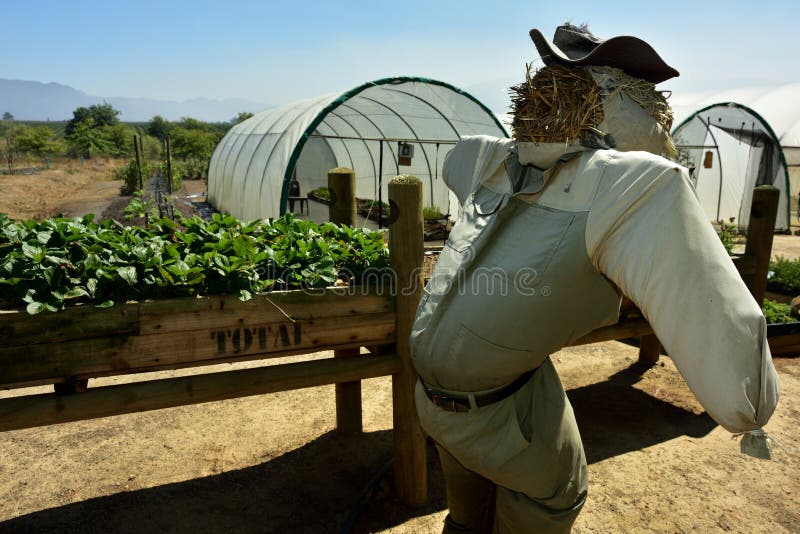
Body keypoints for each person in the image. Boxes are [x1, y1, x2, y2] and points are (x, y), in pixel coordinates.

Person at [409, 23, 780, 533]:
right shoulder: (626, 185)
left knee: (470, 499)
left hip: (440, 391)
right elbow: (718, 321)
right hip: (486, 405)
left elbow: (463, 158)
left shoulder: (487, 159)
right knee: (558, 492)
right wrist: (751, 406)